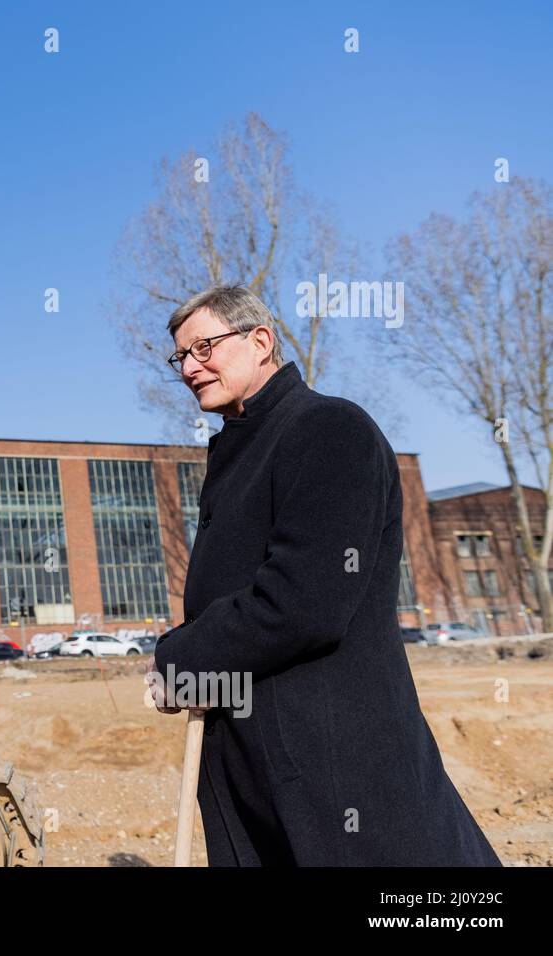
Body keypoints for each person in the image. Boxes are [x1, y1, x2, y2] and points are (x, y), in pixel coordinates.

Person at [148, 284, 499, 866]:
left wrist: (180, 661)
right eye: (180, 357)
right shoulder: (240, 451)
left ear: (260, 341)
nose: (189, 367)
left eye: (203, 347)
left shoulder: (328, 430)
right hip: (259, 760)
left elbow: (303, 601)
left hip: (331, 761)